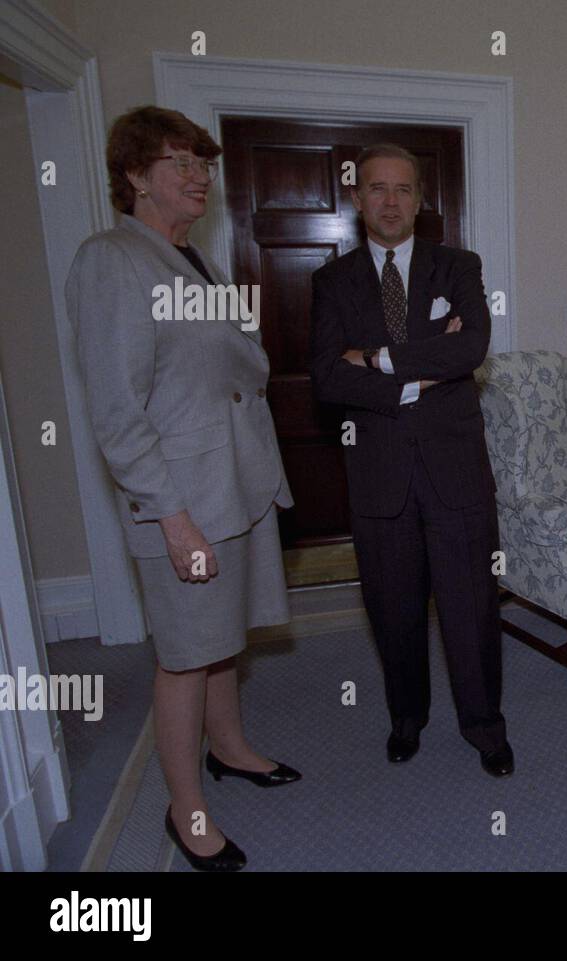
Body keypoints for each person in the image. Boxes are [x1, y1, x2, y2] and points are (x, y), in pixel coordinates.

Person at [67, 106, 300, 873]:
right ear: (135, 177)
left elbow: (233, 367)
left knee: (222, 639)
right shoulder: (112, 261)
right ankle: (184, 808)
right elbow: (117, 413)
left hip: (235, 482)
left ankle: (229, 749)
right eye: (180, 163)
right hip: (183, 499)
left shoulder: (194, 259)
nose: (200, 177)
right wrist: (174, 520)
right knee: (184, 654)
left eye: (204, 163)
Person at [308, 143, 512, 776]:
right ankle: (406, 719)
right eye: (376, 188)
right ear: (356, 197)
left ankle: (484, 726)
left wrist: (376, 360)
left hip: (456, 473)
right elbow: (323, 377)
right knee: (393, 611)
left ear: (421, 200)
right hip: (378, 476)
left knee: (471, 608)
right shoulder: (332, 281)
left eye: (402, 189)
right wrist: (421, 370)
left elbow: (471, 349)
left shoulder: (458, 266)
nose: (389, 201)